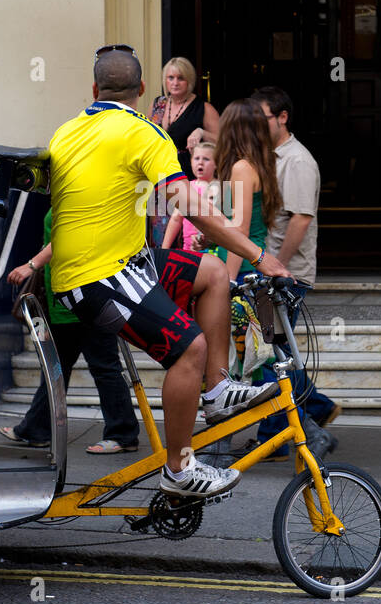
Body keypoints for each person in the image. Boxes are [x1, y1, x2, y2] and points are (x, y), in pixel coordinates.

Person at [47, 45, 290, 500]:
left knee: (214, 273)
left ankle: (217, 390)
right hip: (98, 279)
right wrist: (261, 256)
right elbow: (191, 207)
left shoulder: (66, 131)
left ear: (94, 90)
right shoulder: (146, 133)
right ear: (143, 90)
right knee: (188, 349)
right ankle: (179, 470)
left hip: (111, 267)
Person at [0, 209, 140, 454]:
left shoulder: (80, 193)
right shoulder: (64, 194)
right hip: (65, 302)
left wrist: (32, 265)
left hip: (87, 298)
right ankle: (36, 428)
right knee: (57, 368)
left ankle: (123, 434)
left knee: (103, 367)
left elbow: (70, 235)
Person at [249, 86, 338, 457]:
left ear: (282, 117)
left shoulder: (298, 161)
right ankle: (311, 410)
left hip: (287, 273)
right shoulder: (267, 157)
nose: (256, 124)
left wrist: (277, 267)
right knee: (275, 351)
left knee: (271, 353)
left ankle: (289, 432)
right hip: (274, 268)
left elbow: (301, 219)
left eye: (263, 117)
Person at [214, 98, 283, 282]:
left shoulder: (242, 168)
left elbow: (240, 231)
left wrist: (229, 280)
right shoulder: (257, 164)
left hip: (242, 270)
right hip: (244, 264)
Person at [150, 57, 219, 178]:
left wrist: (201, 132)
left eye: (180, 78)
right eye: (171, 78)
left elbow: (222, 142)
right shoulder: (157, 104)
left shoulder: (204, 108)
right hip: (158, 174)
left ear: (189, 80)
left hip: (189, 176)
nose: (175, 83)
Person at [162, 141, 225, 261]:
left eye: (206, 159)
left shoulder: (218, 187)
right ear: (190, 162)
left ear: (216, 163)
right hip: (188, 248)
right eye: (196, 158)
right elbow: (176, 219)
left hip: (213, 249)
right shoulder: (187, 187)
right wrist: (164, 249)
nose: (200, 162)